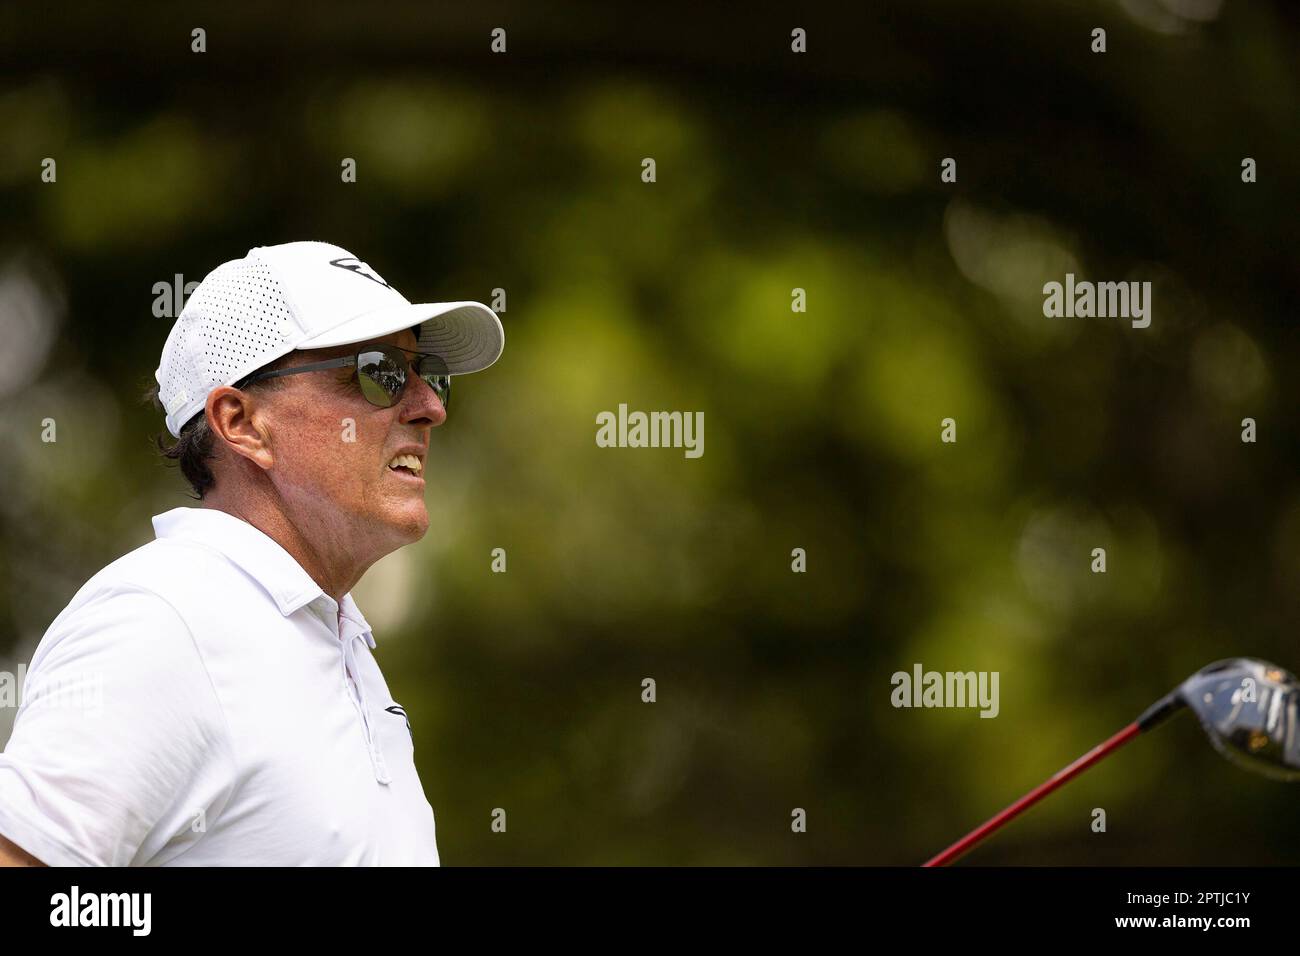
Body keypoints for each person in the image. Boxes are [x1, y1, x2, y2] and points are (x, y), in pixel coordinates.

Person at [0, 240, 503, 865]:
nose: (429, 407)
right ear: (241, 422)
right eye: (381, 373)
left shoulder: (331, 638)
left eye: (432, 378)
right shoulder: (164, 620)